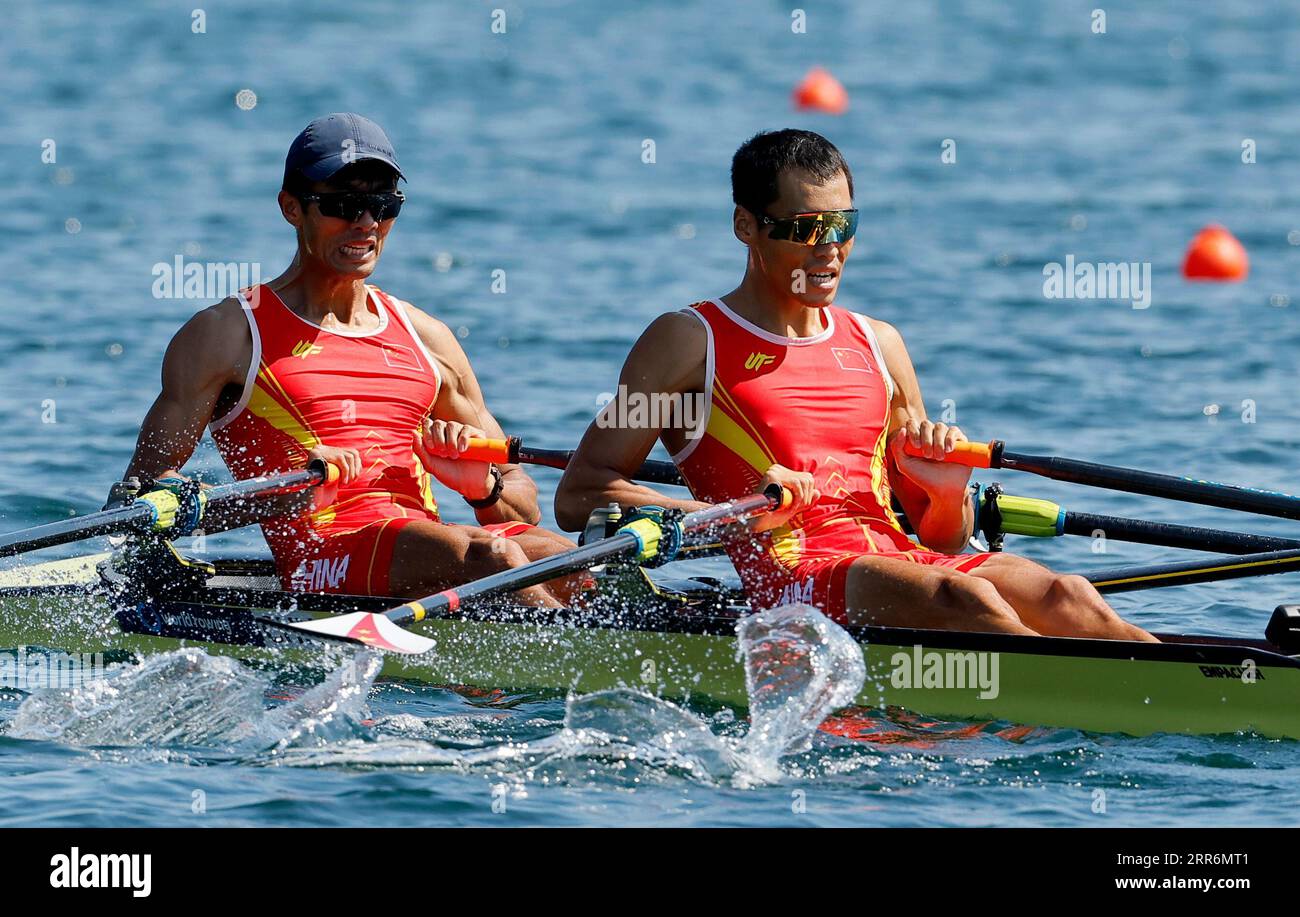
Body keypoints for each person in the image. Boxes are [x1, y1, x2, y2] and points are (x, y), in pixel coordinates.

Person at [556, 128, 1156, 640]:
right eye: (805, 228)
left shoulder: (879, 343)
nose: (830, 249)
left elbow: (941, 540)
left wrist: (946, 493)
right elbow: (580, 493)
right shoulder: (688, 341)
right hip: (795, 580)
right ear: (746, 226)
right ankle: (1096, 703)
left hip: (905, 562)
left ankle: (1210, 690)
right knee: (968, 601)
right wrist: (729, 516)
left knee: (1069, 594)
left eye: (844, 225)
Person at [116, 113, 575, 604]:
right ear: (292, 208)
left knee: (573, 561)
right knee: (497, 559)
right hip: (322, 559)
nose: (367, 223)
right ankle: (577, 671)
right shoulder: (227, 336)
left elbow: (522, 508)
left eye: (383, 204)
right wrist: (280, 495)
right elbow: (133, 503)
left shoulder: (427, 338)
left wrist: (481, 488)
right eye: (345, 204)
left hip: (427, 550)